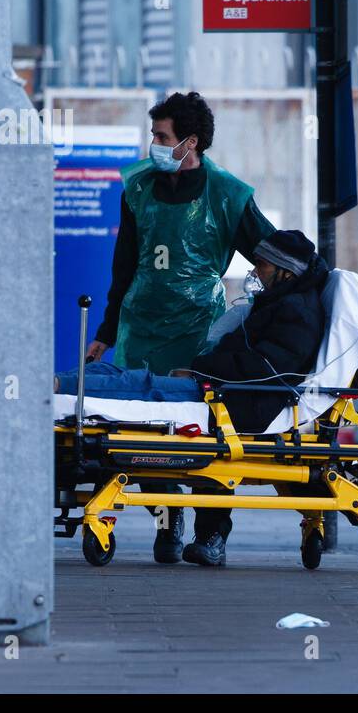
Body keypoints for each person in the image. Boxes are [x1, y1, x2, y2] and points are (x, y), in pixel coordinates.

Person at [57, 230, 330, 568]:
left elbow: (263, 368)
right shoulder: (280, 303)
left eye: (261, 265)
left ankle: (57, 387)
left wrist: (204, 370)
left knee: (142, 389)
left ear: (284, 270)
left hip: (238, 402)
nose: (256, 272)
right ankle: (61, 383)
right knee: (120, 377)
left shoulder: (296, 312)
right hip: (223, 389)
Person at [88, 91, 276, 564]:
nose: (153, 143)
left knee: (210, 437)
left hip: (199, 334)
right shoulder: (138, 189)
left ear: (188, 143)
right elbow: (124, 265)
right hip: (143, 329)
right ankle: (169, 525)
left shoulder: (229, 195)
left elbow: (273, 256)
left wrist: (297, 299)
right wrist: (107, 333)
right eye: (154, 134)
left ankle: (212, 535)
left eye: (161, 136)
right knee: (145, 436)